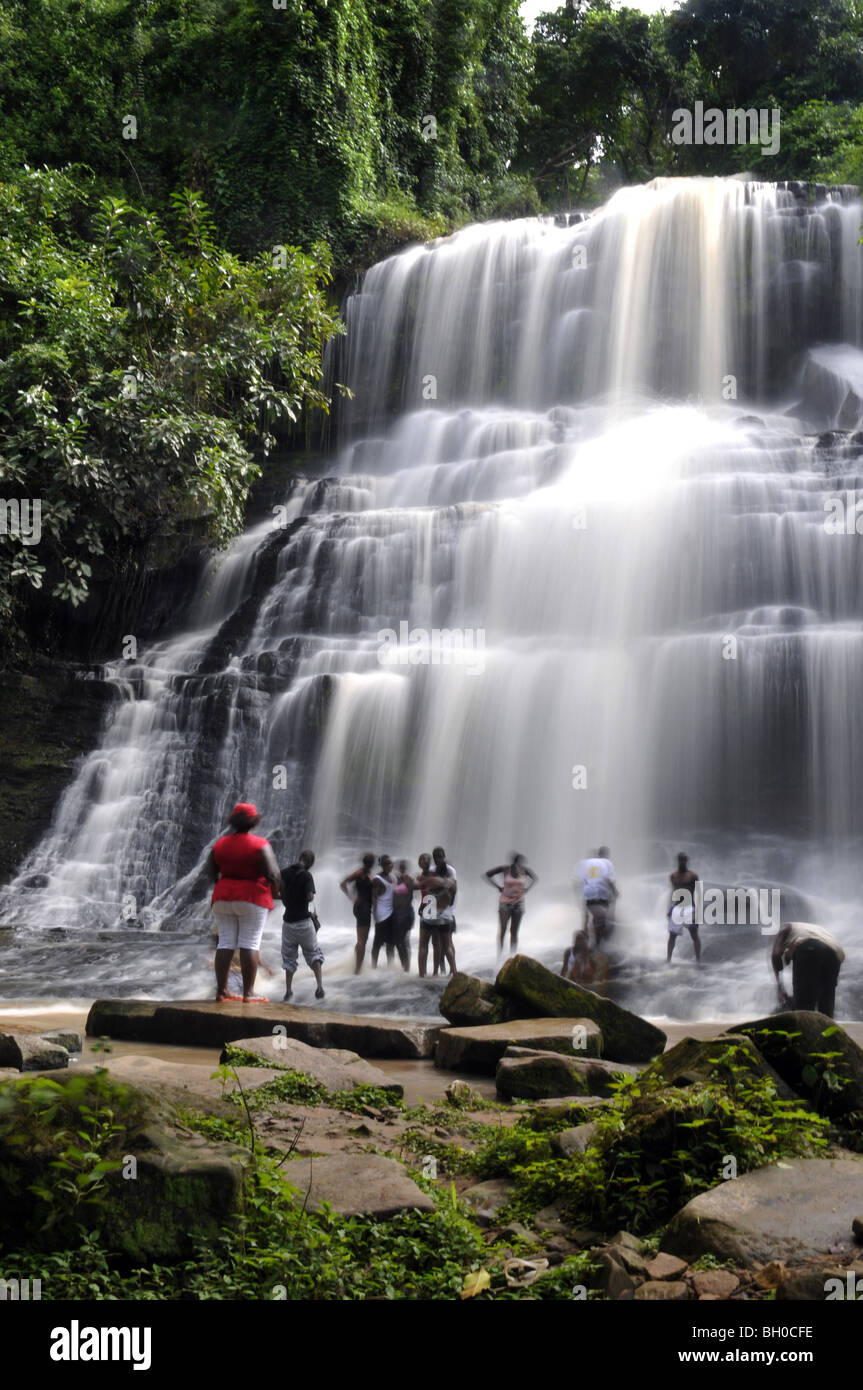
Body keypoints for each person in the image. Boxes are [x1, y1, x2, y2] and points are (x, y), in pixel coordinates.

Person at [208, 802, 281, 1003]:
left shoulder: (219, 844)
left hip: (222, 898)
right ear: (254, 822)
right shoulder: (260, 845)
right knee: (250, 943)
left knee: (225, 942)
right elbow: (273, 873)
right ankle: (249, 993)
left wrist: (224, 886)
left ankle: (222, 990)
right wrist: (276, 892)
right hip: (252, 897)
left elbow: (211, 872)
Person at [771, 921, 845, 1017]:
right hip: (835, 953)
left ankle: (800, 1028)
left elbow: (776, 955)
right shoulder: (814, 929)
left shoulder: (785, 928)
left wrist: (780, 989)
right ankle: (828, 1029)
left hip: (809, 946)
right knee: (826, 1001)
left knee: (803, 1004)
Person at [280, 850, 325, 1002]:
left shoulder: (284, 873)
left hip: (288, 923)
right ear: (310, 863)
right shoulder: (306, 875)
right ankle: (319, 986)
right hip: (304, 923)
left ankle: (288, 990)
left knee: (289, 957)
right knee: (314, 954)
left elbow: (279, 894)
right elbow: (310, 897)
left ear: (299, 858)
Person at [485, 852, 537, 953]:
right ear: (513, 862)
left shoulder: (524, 871)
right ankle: (499, 955)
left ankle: (512, 956)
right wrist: (498, 887)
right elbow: (487, 875)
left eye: (521, 863)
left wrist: (527, 889)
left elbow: (535, 879)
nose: (519, 866)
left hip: (519, 902)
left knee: (514, 931)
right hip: (505, 902)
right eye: (517, 863)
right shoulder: (505, 869)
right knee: (503, 928)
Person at [417, 853, 455, 977]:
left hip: (429, 912)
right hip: (444, 914)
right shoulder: (450, 881)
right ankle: (450, 971)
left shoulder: (430, 879)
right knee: (443, 945)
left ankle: (422, 975)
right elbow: (452, 897)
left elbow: (417, 886)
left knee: (423, 945)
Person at [573, 845, 618, 946]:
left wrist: (580, 894)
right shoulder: (606, 863)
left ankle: (584, 940)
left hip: (588, 895)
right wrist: (615, 891)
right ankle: (597, 943)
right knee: (601, 919)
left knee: (588, 918)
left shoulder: (586, 864)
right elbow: (608, 879)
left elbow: (579, 880)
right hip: (601, 896)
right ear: (605, 855)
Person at [340, 853, 376, 974]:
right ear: (370, 863)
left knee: (361, 940)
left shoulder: (366, 874)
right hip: (363, 908)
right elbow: (343, 883)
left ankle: (357, 967)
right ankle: (357, 970)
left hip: (363, 907)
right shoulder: (360, 873)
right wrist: (351, 897)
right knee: (362, 940)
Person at [667, 851, 701, 964]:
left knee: (694, 934)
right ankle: (668, 960)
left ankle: (698, 960)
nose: (682, 862)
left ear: (687, 861)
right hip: (676, 908)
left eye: (684, 859)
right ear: (678, 861)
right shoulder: (673, 876)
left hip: (689, 908)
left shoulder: (693, 876)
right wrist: (669, 909)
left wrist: (697, 910)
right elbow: (672, 892)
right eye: (680, 859)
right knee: (672, 936)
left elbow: (699, 893)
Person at [371, 855, 397, 968]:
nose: (389, 866)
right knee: (377, 942)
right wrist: (375, 913)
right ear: (381, 865)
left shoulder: (393, 877)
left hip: (392, 914)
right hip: (381, 915)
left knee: (391, 943)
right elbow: (374, 897)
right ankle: (373, 967)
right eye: (386, 864)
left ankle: (390, 967)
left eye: (391, 863)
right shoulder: (377, 879)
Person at [392, 859, 417, 971]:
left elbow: (412, 892)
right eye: (400, 868)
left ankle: (406, 967)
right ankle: (405, 966)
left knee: (403, 941)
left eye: (403, 868)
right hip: (397, 914)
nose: (401, 870)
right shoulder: (395, 880)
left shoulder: (408, 879)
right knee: (399, 941)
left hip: (406, 914)